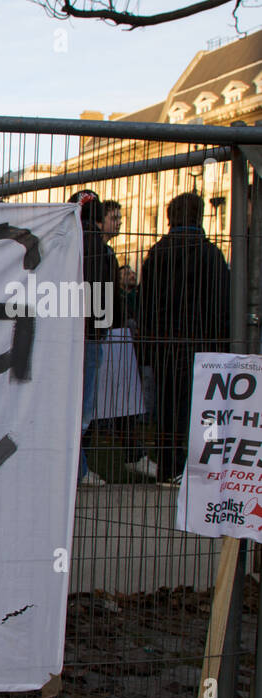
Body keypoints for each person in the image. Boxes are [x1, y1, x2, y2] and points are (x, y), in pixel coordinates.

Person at [134, 192, 231, 484]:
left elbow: (145, 303)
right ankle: (199, 468)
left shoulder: (156, 253)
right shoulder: (210, 253)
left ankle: (169, 466)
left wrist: (148, 346)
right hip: (202, 344)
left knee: (166, 409)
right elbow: (221, 303)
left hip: (164, 344)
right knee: (202, 409)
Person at [70, 190, 118, 486]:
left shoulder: (64, 245)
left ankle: (77, 467)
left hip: (64, 334)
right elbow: (106, 300)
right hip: (90, 335)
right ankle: (78, 468)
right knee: (83, 407)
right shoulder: (102, 251)